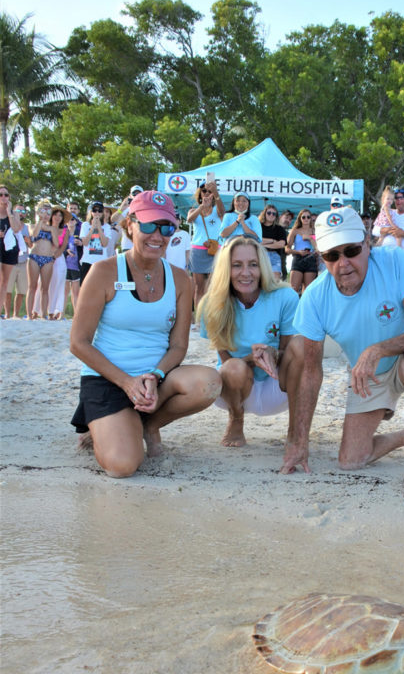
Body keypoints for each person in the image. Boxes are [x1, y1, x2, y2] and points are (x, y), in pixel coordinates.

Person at [285, 206, 404, 497]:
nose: (343, 263)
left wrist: (377, 350)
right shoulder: (314, 298)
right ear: (320, 256)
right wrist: (300, 440)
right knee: (350, 461)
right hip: (369, 374)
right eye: (332, 255)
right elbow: (311, 373)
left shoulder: (395, 260)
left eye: (351, 250)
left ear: (367, 244)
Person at [69, 190, 221, 478]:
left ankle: (148, 425)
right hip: (107, 378)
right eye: (149, 225)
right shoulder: (103, 272)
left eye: (166, 228)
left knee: (209, 383)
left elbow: (177, 346)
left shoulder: (180, 279)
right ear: (130, 225)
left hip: (156, 379)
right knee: (123, 466)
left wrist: (155, 376)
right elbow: (78, 343)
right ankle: (104, 426)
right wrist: (127, 383)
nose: (158, 235)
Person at [197, 236, 304, 452]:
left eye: (253, 265)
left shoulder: (285, 297)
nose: (246, 273)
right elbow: (227, 363)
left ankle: (296, 432)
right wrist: (251, 359)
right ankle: (236, 418)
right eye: (236, 265)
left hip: (276, 385)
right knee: (234, 367)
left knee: (303, 345)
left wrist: (272, 354)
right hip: (234, 389)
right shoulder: (211, 304)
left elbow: (289, 352)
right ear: (225, 269)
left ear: (262, 267)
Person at [187, 178, 225, 309]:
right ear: (199, 193)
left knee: (212, 285)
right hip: (197, 250)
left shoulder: (216, 210)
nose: (207, 193)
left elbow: (223, 213)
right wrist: (202, 206)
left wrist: (216, 193)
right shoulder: (193, 210)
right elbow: (189, 219)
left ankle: (209, 315)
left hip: (215, 250)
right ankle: (198, 318)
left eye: (209, 191)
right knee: (199, 286)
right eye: (204, 191)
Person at [27, 201, 61, 319]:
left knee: (45, 288)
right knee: (32, 286)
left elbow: (56, 244)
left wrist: (51, 229)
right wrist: (40, 221)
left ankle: (44, 314)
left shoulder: (53, 228)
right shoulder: (32, 225)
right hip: (34, 257)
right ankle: (29, 314)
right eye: (43, 211)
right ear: (38, 212)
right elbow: (34, 235)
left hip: (47, 258)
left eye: (48, 212)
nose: (46, 215)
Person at [372, 187, 404, 254]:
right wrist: (387, 230)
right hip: (384, 254)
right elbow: (374, 231)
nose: (399, 201)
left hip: (403, 257)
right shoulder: (389, 212)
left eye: (401, 198)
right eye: (396, 198)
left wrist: (403, 233)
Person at [3, 202, 30, 318]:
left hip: (23, 261)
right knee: (7, 290)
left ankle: (16, 315)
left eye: (23, 211)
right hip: (10, 261)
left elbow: (31, 244)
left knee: (21, 291)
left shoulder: (27, 227)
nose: (20, 213)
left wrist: (28, 241)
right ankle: (7, 314)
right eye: (18, 210)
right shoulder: (8, 223)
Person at [286, 207, 319, 294]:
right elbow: (287, 249)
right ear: (300, 218)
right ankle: (293, 307)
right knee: (293, 290)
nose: (306, 219)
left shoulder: (315, 231)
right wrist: (298, 252)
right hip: (298, 258)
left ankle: (305, 307)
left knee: (308, 291)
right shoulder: (295, 231)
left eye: (308, 217)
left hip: (311, 258)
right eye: (303, 217)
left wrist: (310, 238)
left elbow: (318, 248)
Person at [0, 187, 22, 315]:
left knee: (4, 282)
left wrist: (9, 213)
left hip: (9, 248)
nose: (3, 197)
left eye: (6, 195)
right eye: (1, 194)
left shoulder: (14, 213)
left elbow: (16, 228)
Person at [78, 202, 109, 285]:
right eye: (95, 210)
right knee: (85, 287)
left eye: (100, 211)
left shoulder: (106, 227)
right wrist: (92, 228)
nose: (97, 213)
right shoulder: (85, 225)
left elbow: (105, 243)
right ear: (91, 212)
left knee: (100, 288)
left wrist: (99, 227)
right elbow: (85, 242)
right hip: (87, 261)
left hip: (101, 262)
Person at [258, 204, 287, 280]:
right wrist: (272, 241)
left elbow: (281, 244)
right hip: (260, 254)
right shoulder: (258, 226)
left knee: (275, 281)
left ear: (276, 216)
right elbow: (256, 240)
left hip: (274, 256)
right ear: (264, 213)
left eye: (274, 214)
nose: (271, 215)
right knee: (259, 281)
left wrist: (265, 245)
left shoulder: (280, 229)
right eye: (269, 213)